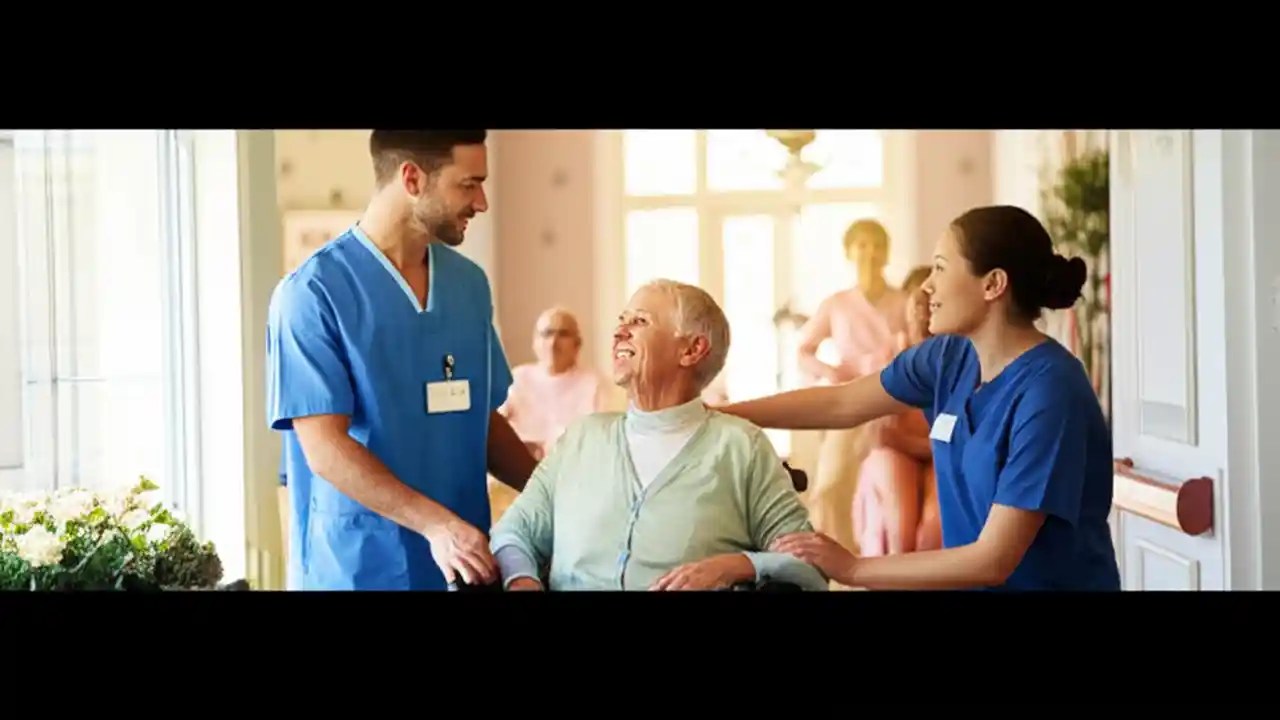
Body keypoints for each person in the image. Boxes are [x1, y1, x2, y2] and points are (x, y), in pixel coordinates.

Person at [720, 205, 1121, 590]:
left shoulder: (1051, 391)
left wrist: (853, 568)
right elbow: (841, 403)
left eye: (940, 268)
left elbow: (993, 560)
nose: (927, 285)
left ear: (993, 285)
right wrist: (719, 414)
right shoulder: (947, 357)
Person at [266, 130, 536, 591]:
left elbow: (481, 421)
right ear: (412, 178)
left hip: (464, 567)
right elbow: (325, 449)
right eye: (468, 184)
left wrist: (555, 494)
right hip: (357, 569)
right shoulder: (313, 294)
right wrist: (437, 526)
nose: (482, 202)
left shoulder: (468, 285)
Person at [489, 280, 828, 591]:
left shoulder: (741, 447)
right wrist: (522, 580)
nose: (619, 332)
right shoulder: (582, 438)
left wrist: (739, 565)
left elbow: (808, 565)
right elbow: (513, 532)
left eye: (639, 321)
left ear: (692, 349)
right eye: (621, 320)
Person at [795, 218, 907, 555]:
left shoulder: (904, 301)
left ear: (887, 253)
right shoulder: (837, 304)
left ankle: (880, 562)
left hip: (893, 404)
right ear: (849, 252)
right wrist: (829, 373)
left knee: (886, 489)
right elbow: (804, 351)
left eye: (877, 245)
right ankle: (837, 560)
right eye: (862, 245)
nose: (870, 252)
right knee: (830, 487)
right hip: (848, 404)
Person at [852, 266, 941, 557]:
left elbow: (958, 441)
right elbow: (879, 436)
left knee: (930, 535)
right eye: (916, 302)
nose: (922, 311)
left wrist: (909, 443)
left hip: (937, 455)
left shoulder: (959, 358)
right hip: (895, 453)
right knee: (900, 532)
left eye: (930, 301)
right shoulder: (888, 357)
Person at [489, 307, 607, 522]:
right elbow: (494, 425)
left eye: (563, 334)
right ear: (535, 342)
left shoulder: (593, 384)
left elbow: (602, 442)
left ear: (577, 344)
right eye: (547, 334)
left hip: (571, 478)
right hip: (519, 481)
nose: (553, 342)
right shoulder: (518, 378)